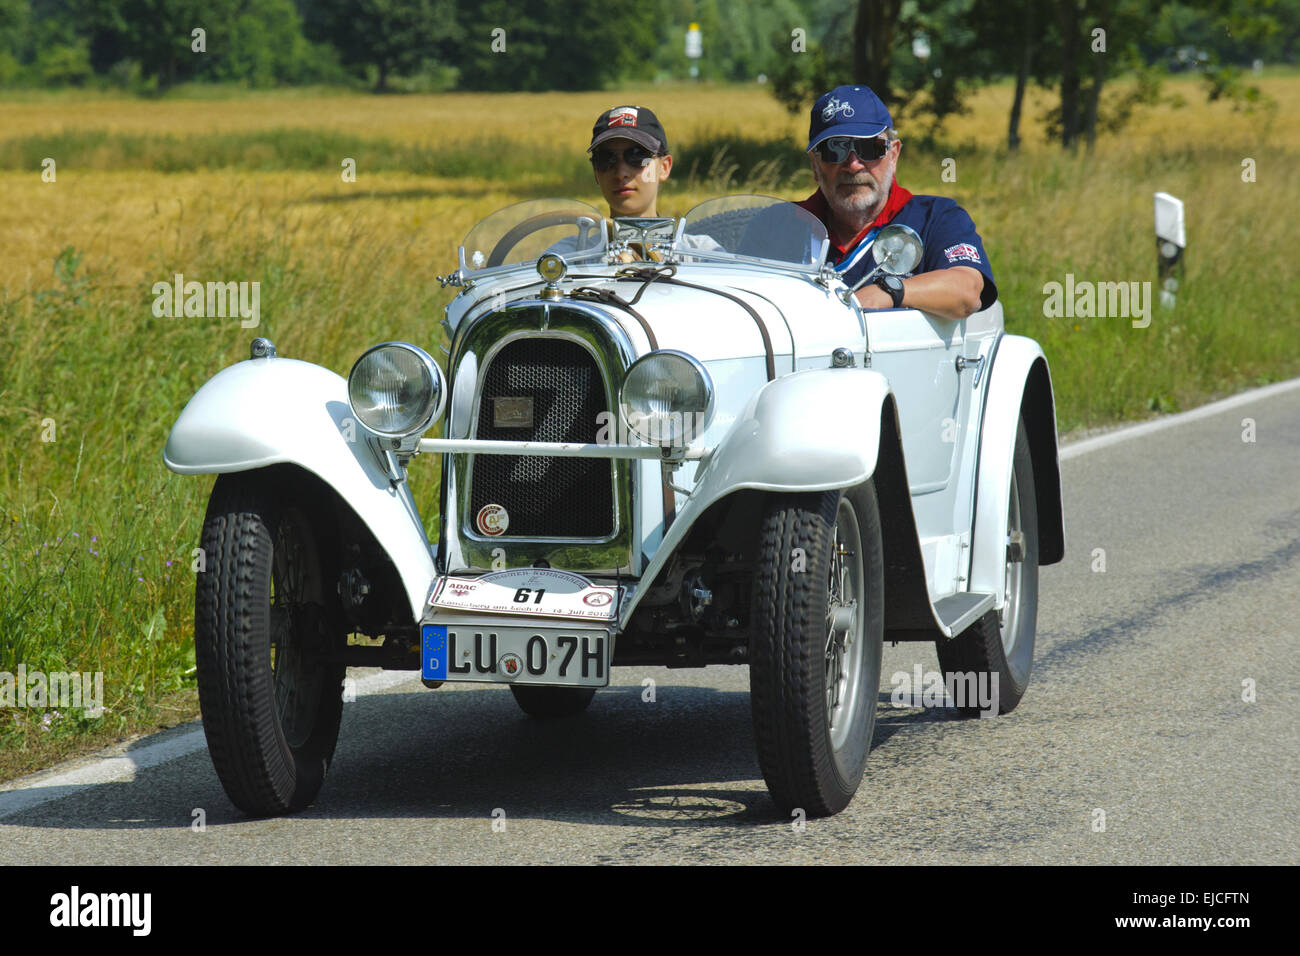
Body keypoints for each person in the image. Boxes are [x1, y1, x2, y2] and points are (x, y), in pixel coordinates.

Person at [799, 85, 997, 320]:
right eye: (835, 149)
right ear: (814, 165)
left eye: (869, 148)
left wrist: (890, 291)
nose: (853, 164)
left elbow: (967, 291)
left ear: (893, 155)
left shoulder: (937, 218)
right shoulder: (783, 225)